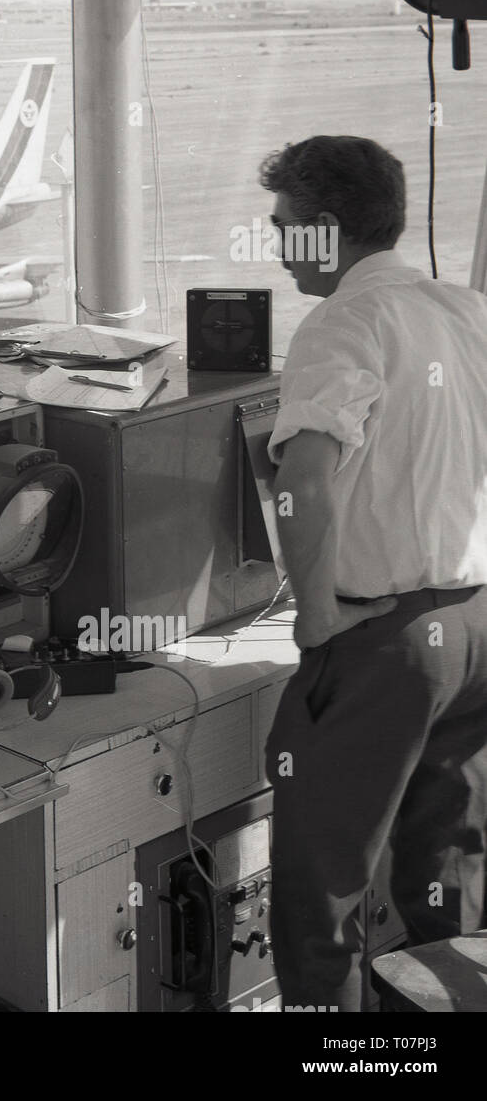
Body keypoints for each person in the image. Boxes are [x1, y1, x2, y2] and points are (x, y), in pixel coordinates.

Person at [261, 135, 487, 1011]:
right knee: (448, 868)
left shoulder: (345, 323)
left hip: (387, 641)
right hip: (473, 624)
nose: (279, 249)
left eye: (285, 229)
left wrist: (314, 618)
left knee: (323, 888)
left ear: (324, 230)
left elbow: (304, 478)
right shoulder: (465, 310)